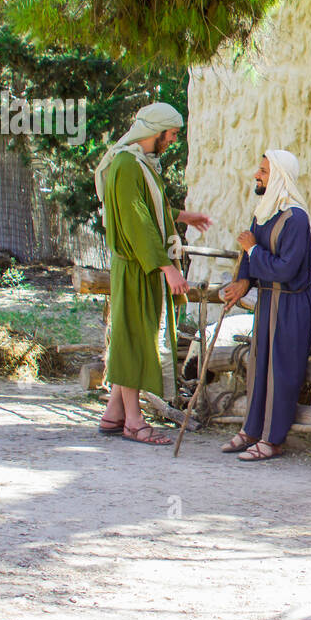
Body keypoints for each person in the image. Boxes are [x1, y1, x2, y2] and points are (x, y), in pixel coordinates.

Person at [93, 102, 213, 445]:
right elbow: (138, 222)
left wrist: (184, 217)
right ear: (156, 131)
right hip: (137, 267)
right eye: (172, 133)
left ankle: (114, 413)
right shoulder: (127, 164)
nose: (173, 140)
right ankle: (134, 421)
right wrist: (167, 268)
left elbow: (151, 208)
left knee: (135, 335)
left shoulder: (137, 164)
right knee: (134, 339)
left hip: (140, 266)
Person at [219, 149, 311, 462]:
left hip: (290, 306)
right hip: (267, 302)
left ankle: (272, 440)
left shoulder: (295, 219)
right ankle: (251, 430)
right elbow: (249, 254)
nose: (257, 176)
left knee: (282, 372)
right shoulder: (263, 213)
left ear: (280, 177)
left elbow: (285, 269)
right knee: (259, 368)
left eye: (263, 171)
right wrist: (243, 282)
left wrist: (253, 251)